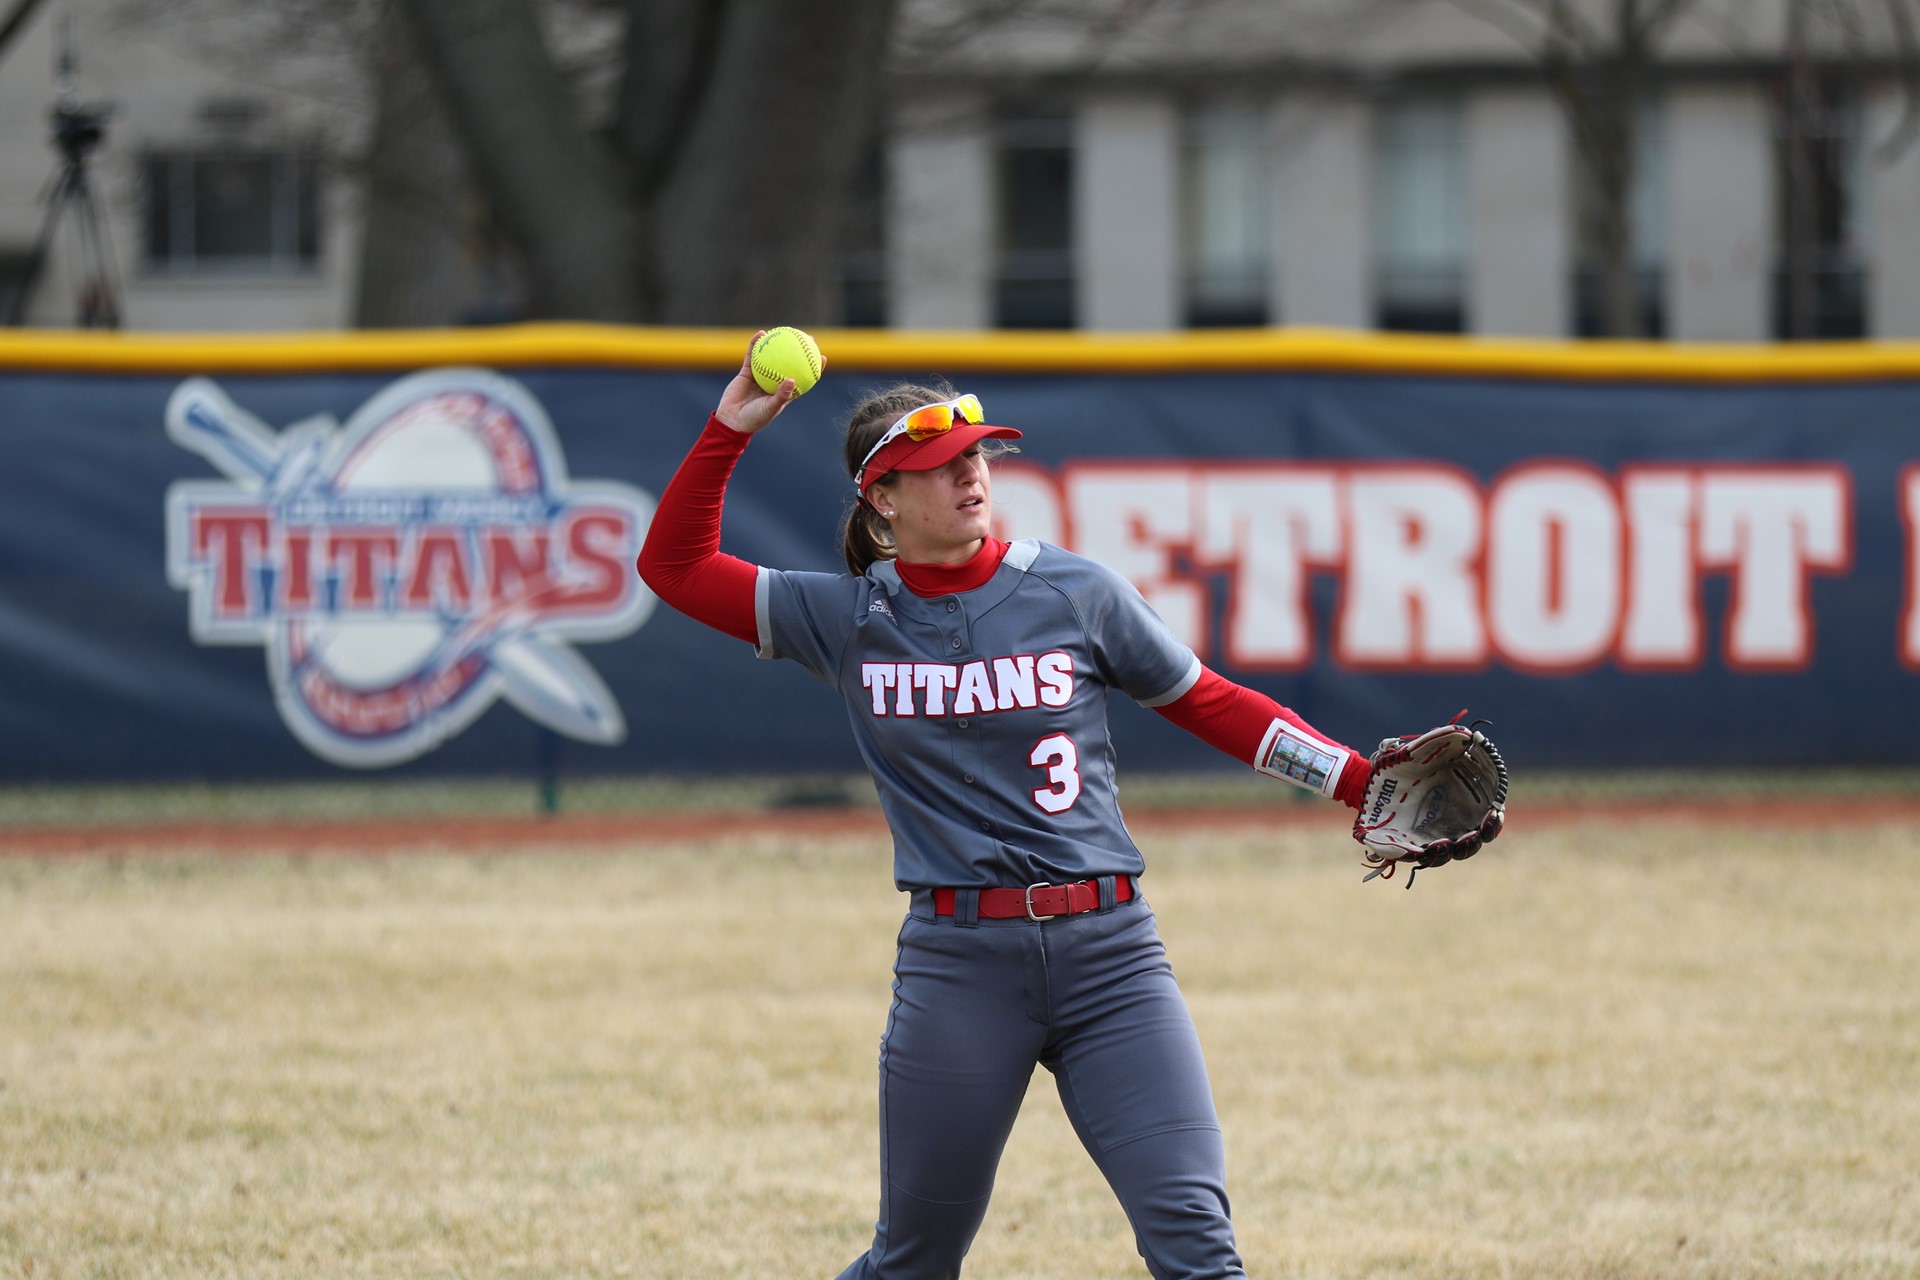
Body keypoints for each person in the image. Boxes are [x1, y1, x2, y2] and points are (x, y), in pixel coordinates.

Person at [637, 335, 1374, 1280]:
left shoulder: (1074, 590)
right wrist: (730, 428)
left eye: (976, 454)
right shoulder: (849, 620)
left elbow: (1209, 700)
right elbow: (674, 567)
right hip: (959, 969)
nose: (969, 474)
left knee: (1197, 1244)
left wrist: (1354, 781)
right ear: (883, 499)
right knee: (915, 1261)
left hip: (1113, 958)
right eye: (935, 467)